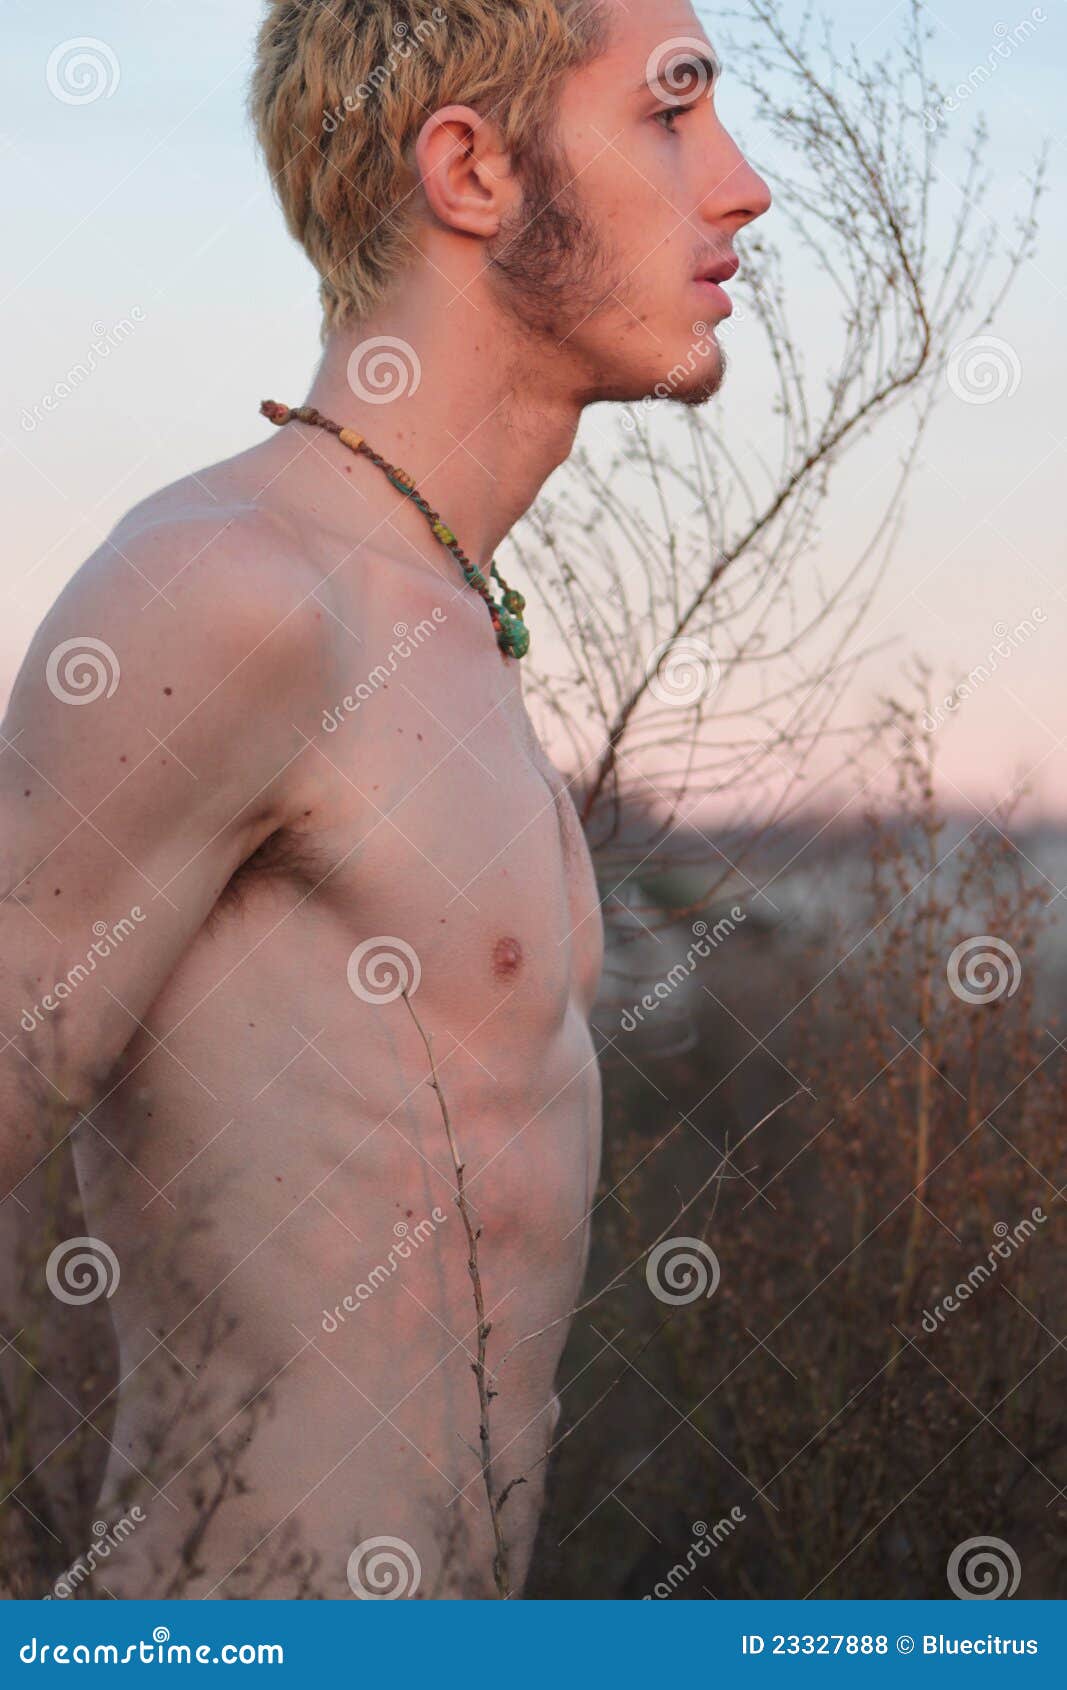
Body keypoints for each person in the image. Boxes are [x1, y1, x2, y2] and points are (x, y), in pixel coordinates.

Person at [0, 0, 771, 1598]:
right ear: (472, 169)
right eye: (671, 113)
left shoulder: (439, 619)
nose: (742, 183)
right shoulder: (234, 591)